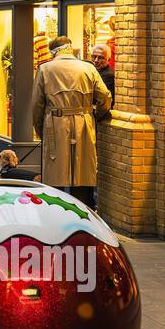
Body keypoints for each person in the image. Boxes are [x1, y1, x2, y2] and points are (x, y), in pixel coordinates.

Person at [32, 35, 111, 209]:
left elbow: (37, 105)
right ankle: (82, 213)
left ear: (53, 53)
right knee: (82, 172)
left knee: (54, 173)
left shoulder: (45, 69)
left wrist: (41, 131)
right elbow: (105, 96)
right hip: (83, 123)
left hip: (55, 124)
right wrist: (96, 115)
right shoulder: (88, 68)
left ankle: (55, 211)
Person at [91, 42, 115, 106]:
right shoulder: (92, 71)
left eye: (101, 57)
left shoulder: (109, 75)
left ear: (108, 60)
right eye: (94, 56)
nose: (96, 60)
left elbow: (94, 97)